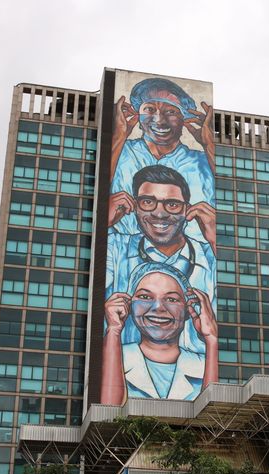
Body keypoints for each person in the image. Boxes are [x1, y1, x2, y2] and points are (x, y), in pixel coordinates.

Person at [107, 165, 216, 353]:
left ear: (187, 210)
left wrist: (215, 238)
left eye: (172, 204)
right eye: (148, 202)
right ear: (134, 205)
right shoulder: (115, 246)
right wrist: (104, 219)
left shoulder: (210, 255)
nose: (159, 213)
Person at [110, 77, 215, 237]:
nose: (159, 120)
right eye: (149, 109)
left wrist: (209, 145)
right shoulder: (120, 151)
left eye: (171, 111)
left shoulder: (202, 161)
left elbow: (227, 199)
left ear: (185, 118)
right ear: (137, 115)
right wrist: (118, 138)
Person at [101, 262, 218, 404]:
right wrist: (113, 329)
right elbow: (108, 411)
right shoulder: (112, 357)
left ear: (188, 310)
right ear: (129, 305)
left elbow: (213, 411)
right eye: (145, 297)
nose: (158, 307)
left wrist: (211, 338)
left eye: (171, 299)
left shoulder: (204, 364)